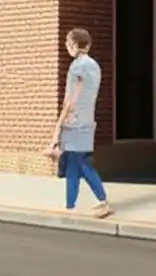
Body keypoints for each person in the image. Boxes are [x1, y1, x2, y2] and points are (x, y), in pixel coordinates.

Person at [47, 28, 113, 218]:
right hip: (87, 120)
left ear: (75, 45)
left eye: (67, 43)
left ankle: (102, 200)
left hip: (74, 122)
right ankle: (70, 205)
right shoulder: (94, 65)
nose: (66, 47)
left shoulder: (77, 67)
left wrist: (60, 123)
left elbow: (71, 99)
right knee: (73, 165)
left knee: (82, 163)